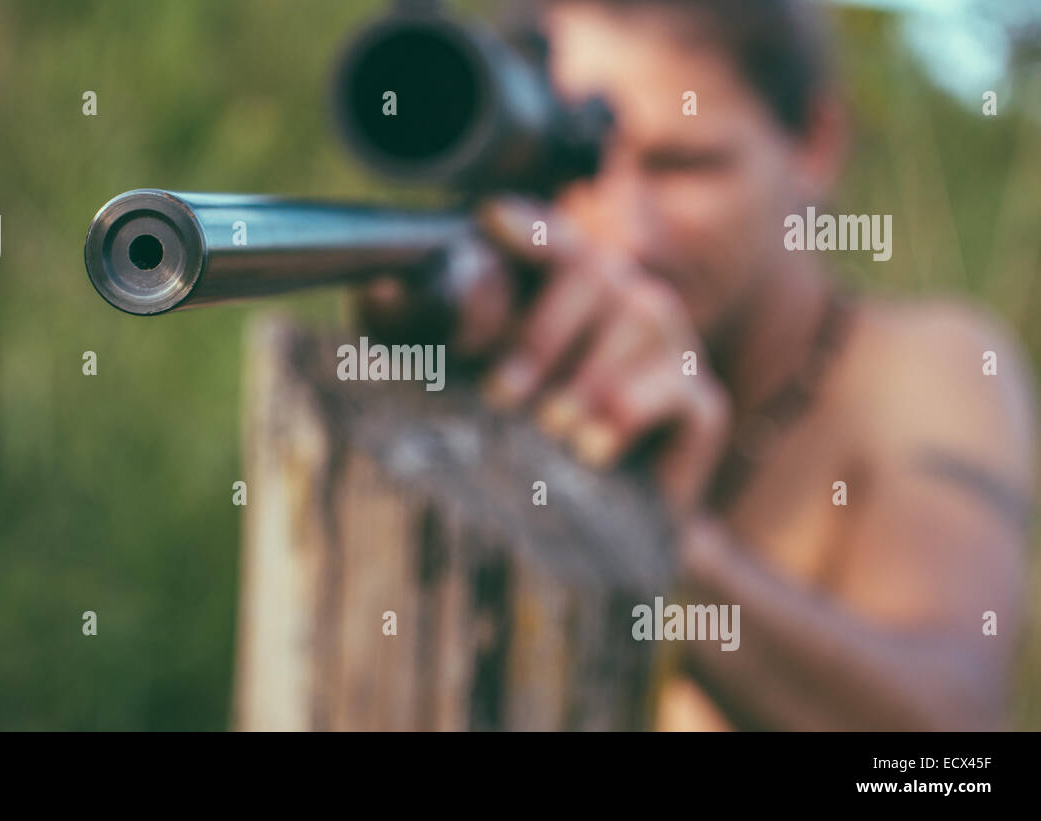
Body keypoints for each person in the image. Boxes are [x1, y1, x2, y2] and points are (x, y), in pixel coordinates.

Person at [363, 0, 1036, 730]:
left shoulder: (924, 368)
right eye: (574, 163)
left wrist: (666, 539)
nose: (625, 233)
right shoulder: (519, 363)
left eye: (683, 165)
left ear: (814, 142)